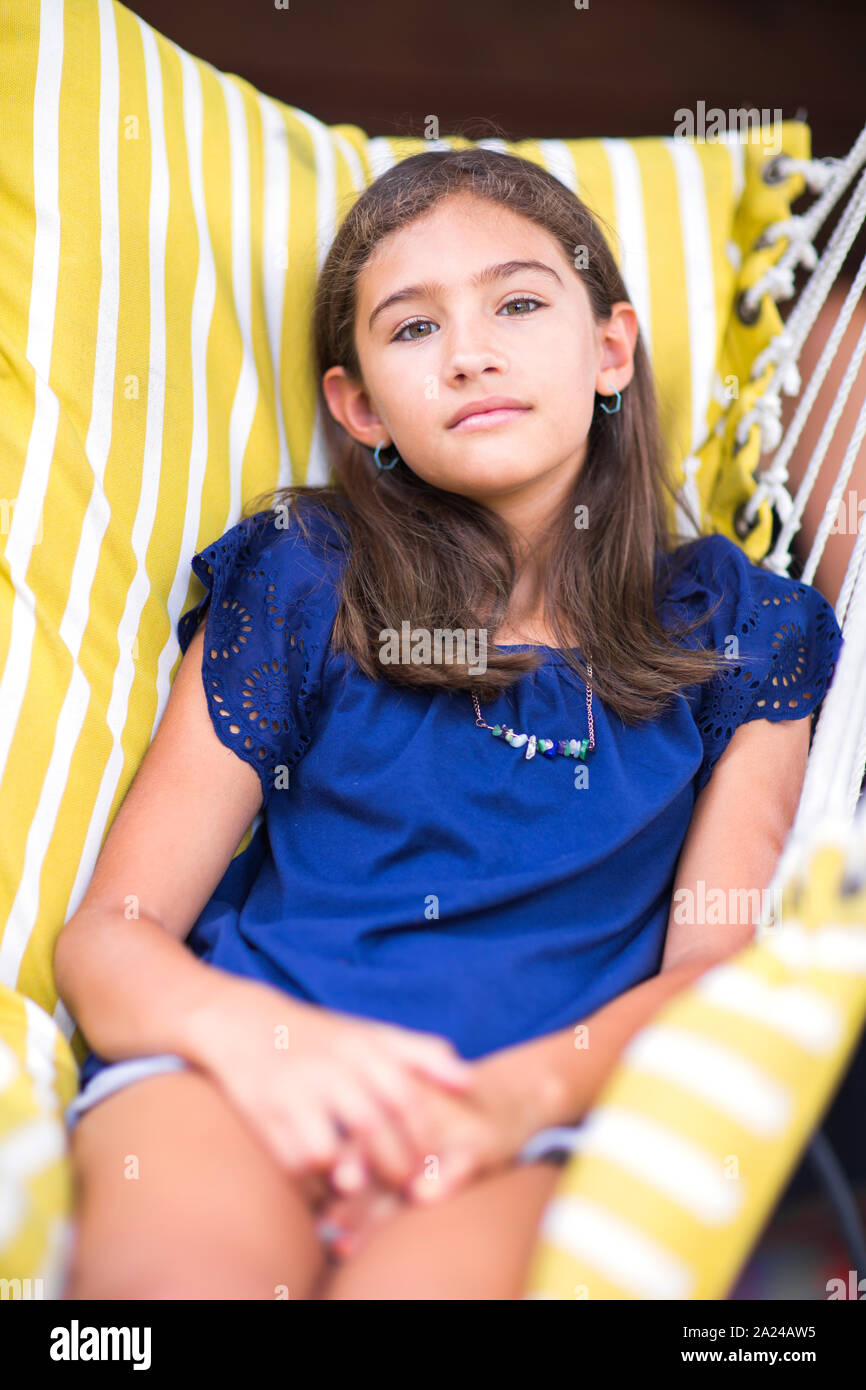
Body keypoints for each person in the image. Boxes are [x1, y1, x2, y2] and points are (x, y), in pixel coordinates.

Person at [54, 147, 844, 1300]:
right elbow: (110, 938)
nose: (470, 351)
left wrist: (503, 1103)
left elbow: (710, 978)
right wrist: (273, 1053)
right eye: (411, 328)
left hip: (525, 1120)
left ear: (609, 349)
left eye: (519, 303)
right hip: (237, 1072)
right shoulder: (304, 575)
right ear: (360, 405)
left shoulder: (740, 630)